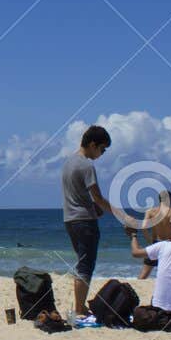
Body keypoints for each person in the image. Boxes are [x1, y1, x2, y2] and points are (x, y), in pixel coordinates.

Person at [61, 125, 130, 318]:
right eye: (103, 149)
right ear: (92, 145)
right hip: (84, 221)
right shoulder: (86, 165)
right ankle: (79, 308)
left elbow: (78, 196)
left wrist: (94, 207)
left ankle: (80, 306)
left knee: (82, 261)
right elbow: (98, 197)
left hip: (70, 219)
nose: (103, 153)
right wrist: (122, 216)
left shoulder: (68, 163)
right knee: (86, 265)